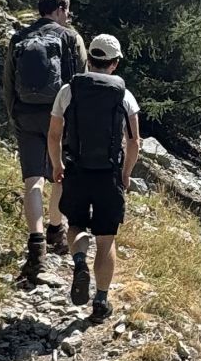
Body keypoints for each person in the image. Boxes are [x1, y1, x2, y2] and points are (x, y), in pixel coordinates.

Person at [46, 31, 141, 323]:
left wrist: (57, 165)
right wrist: (126, 174)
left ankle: (78, 259)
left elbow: (54, 134)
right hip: (108, 176)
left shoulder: (68, 91)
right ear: (114, 63)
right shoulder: (124, 95)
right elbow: (135, 141)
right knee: (107, 239)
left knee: (74, 225)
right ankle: (100, 300)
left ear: (90, 58)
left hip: (76, 170)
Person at [3, 0, 86, 285]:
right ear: (60, 10)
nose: (69, 16)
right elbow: (82, 78)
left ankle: (36, 245)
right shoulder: (70, 37)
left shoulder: (20, 37)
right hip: (59, 115)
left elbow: (9, 82)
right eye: (68, 11)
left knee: (32, 180)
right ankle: (56, 229)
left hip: (25, 114)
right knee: (58, 174)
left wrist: (15, 114)